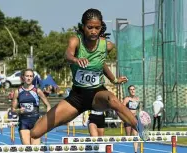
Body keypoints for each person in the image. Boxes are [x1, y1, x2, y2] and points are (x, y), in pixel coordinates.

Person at [30, 8, 149, 140]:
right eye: (90, 27)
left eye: (97, 28)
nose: (93, 31)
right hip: (77, 97)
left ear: (101, 27)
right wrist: (76, 59)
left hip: (97, 94)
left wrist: (114, 79)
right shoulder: (76, 41)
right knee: (35, 133)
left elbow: (101, 63)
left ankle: (139, 127)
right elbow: (68, 54)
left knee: (113, 100)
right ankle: (57, 121)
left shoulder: (106, 45)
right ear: (83, 27)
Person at [12, 69, 51, 145]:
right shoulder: (18, 91)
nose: (29, 78)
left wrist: (47, 116)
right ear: (23, 77)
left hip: (36, 122)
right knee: (27, 149)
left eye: (31, 76)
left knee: (35, 149)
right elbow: (13, 109)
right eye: (27, 76)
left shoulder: (37, 91)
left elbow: (48, 105)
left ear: (33, 78)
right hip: (24, 122)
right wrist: (18, 111)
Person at [123, 85, 141, 153]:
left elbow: (139, 108)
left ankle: (136, 151)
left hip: (135, 118)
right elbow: (122, 108)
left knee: (135, 136)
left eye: (133, 89)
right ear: (129, 91)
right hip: (128, 118)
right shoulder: (126, 99)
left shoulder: (137, 99)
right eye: (131, 89)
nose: (132, 90)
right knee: (128, 136)